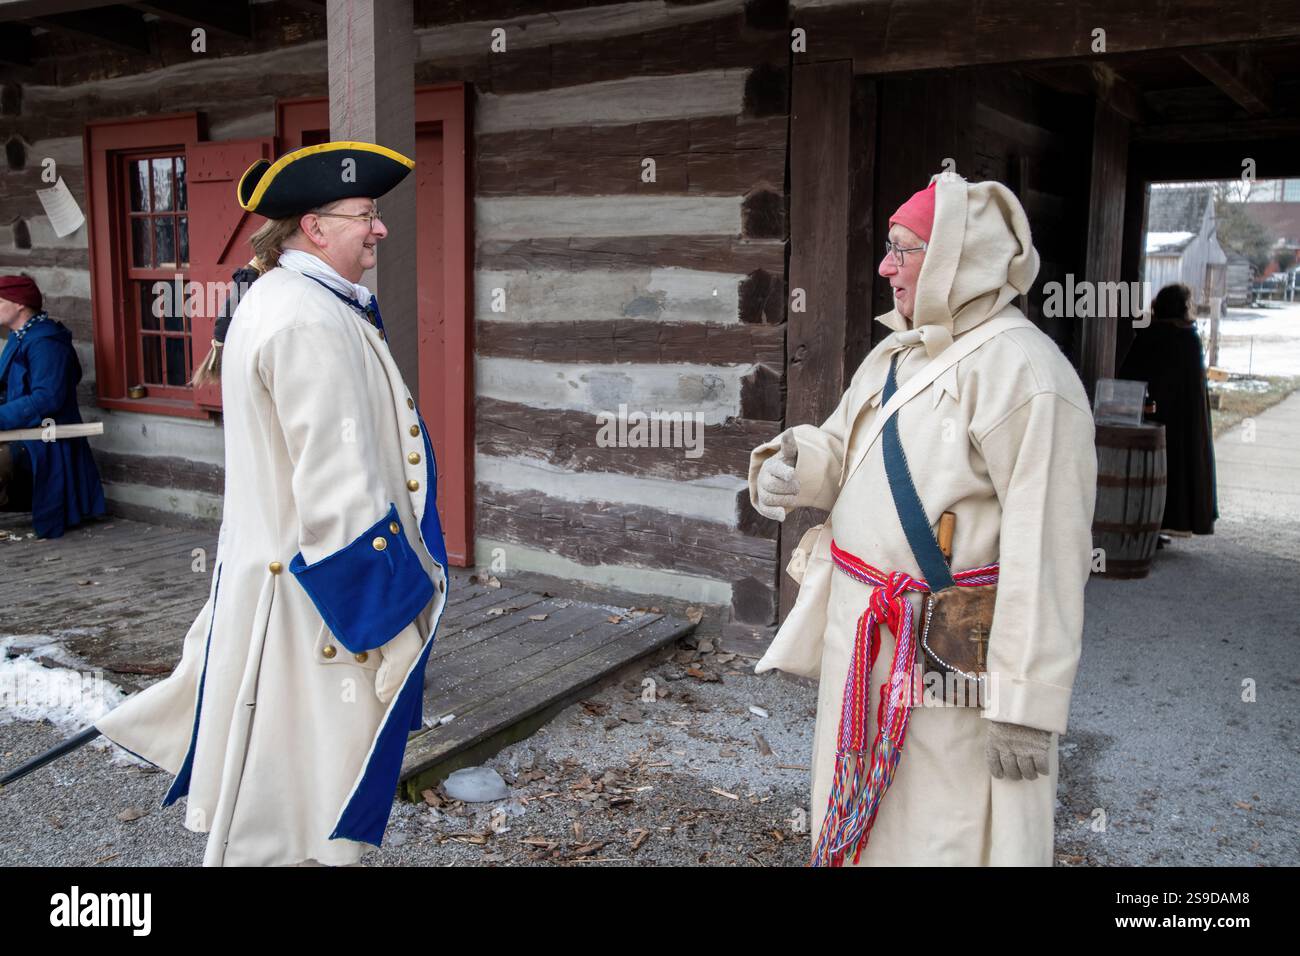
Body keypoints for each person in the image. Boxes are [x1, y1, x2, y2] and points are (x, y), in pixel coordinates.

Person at [92, 141, 450, 867]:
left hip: (292, 589)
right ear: (314, 229)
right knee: (300, 806)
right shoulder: (307, 320)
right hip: (315, 608)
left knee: (289, 791)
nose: (378, 229)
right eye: (364, 216)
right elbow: (336, 488)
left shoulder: (292, 299)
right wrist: (384, 628)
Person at [750, 174, 1097, 866]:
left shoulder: (1028, 376)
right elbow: (843, 444)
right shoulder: (898, 351)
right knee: (857, 814)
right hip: (867, 637)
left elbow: (1049, 554)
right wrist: (794, 462)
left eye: (904, 250)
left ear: (953, 260)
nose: (885, 267)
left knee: (942, 825)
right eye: (889, 247)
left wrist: (1024, 706)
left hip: (946, 654)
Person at [0, 274, 106, 538]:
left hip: (45, 439)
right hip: (18, 430)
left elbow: (47, 398)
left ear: (19, 304)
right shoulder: (18, 336)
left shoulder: (46, 343)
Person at [1118, 282, 1217, 538]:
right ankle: (1171, 521)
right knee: (1177, 467)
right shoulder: (1188, 339)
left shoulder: (1151, 336)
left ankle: (1152, 522)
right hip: (1183, 423)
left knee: (1149, 471)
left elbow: (1129, 374)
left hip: (1151, 418)